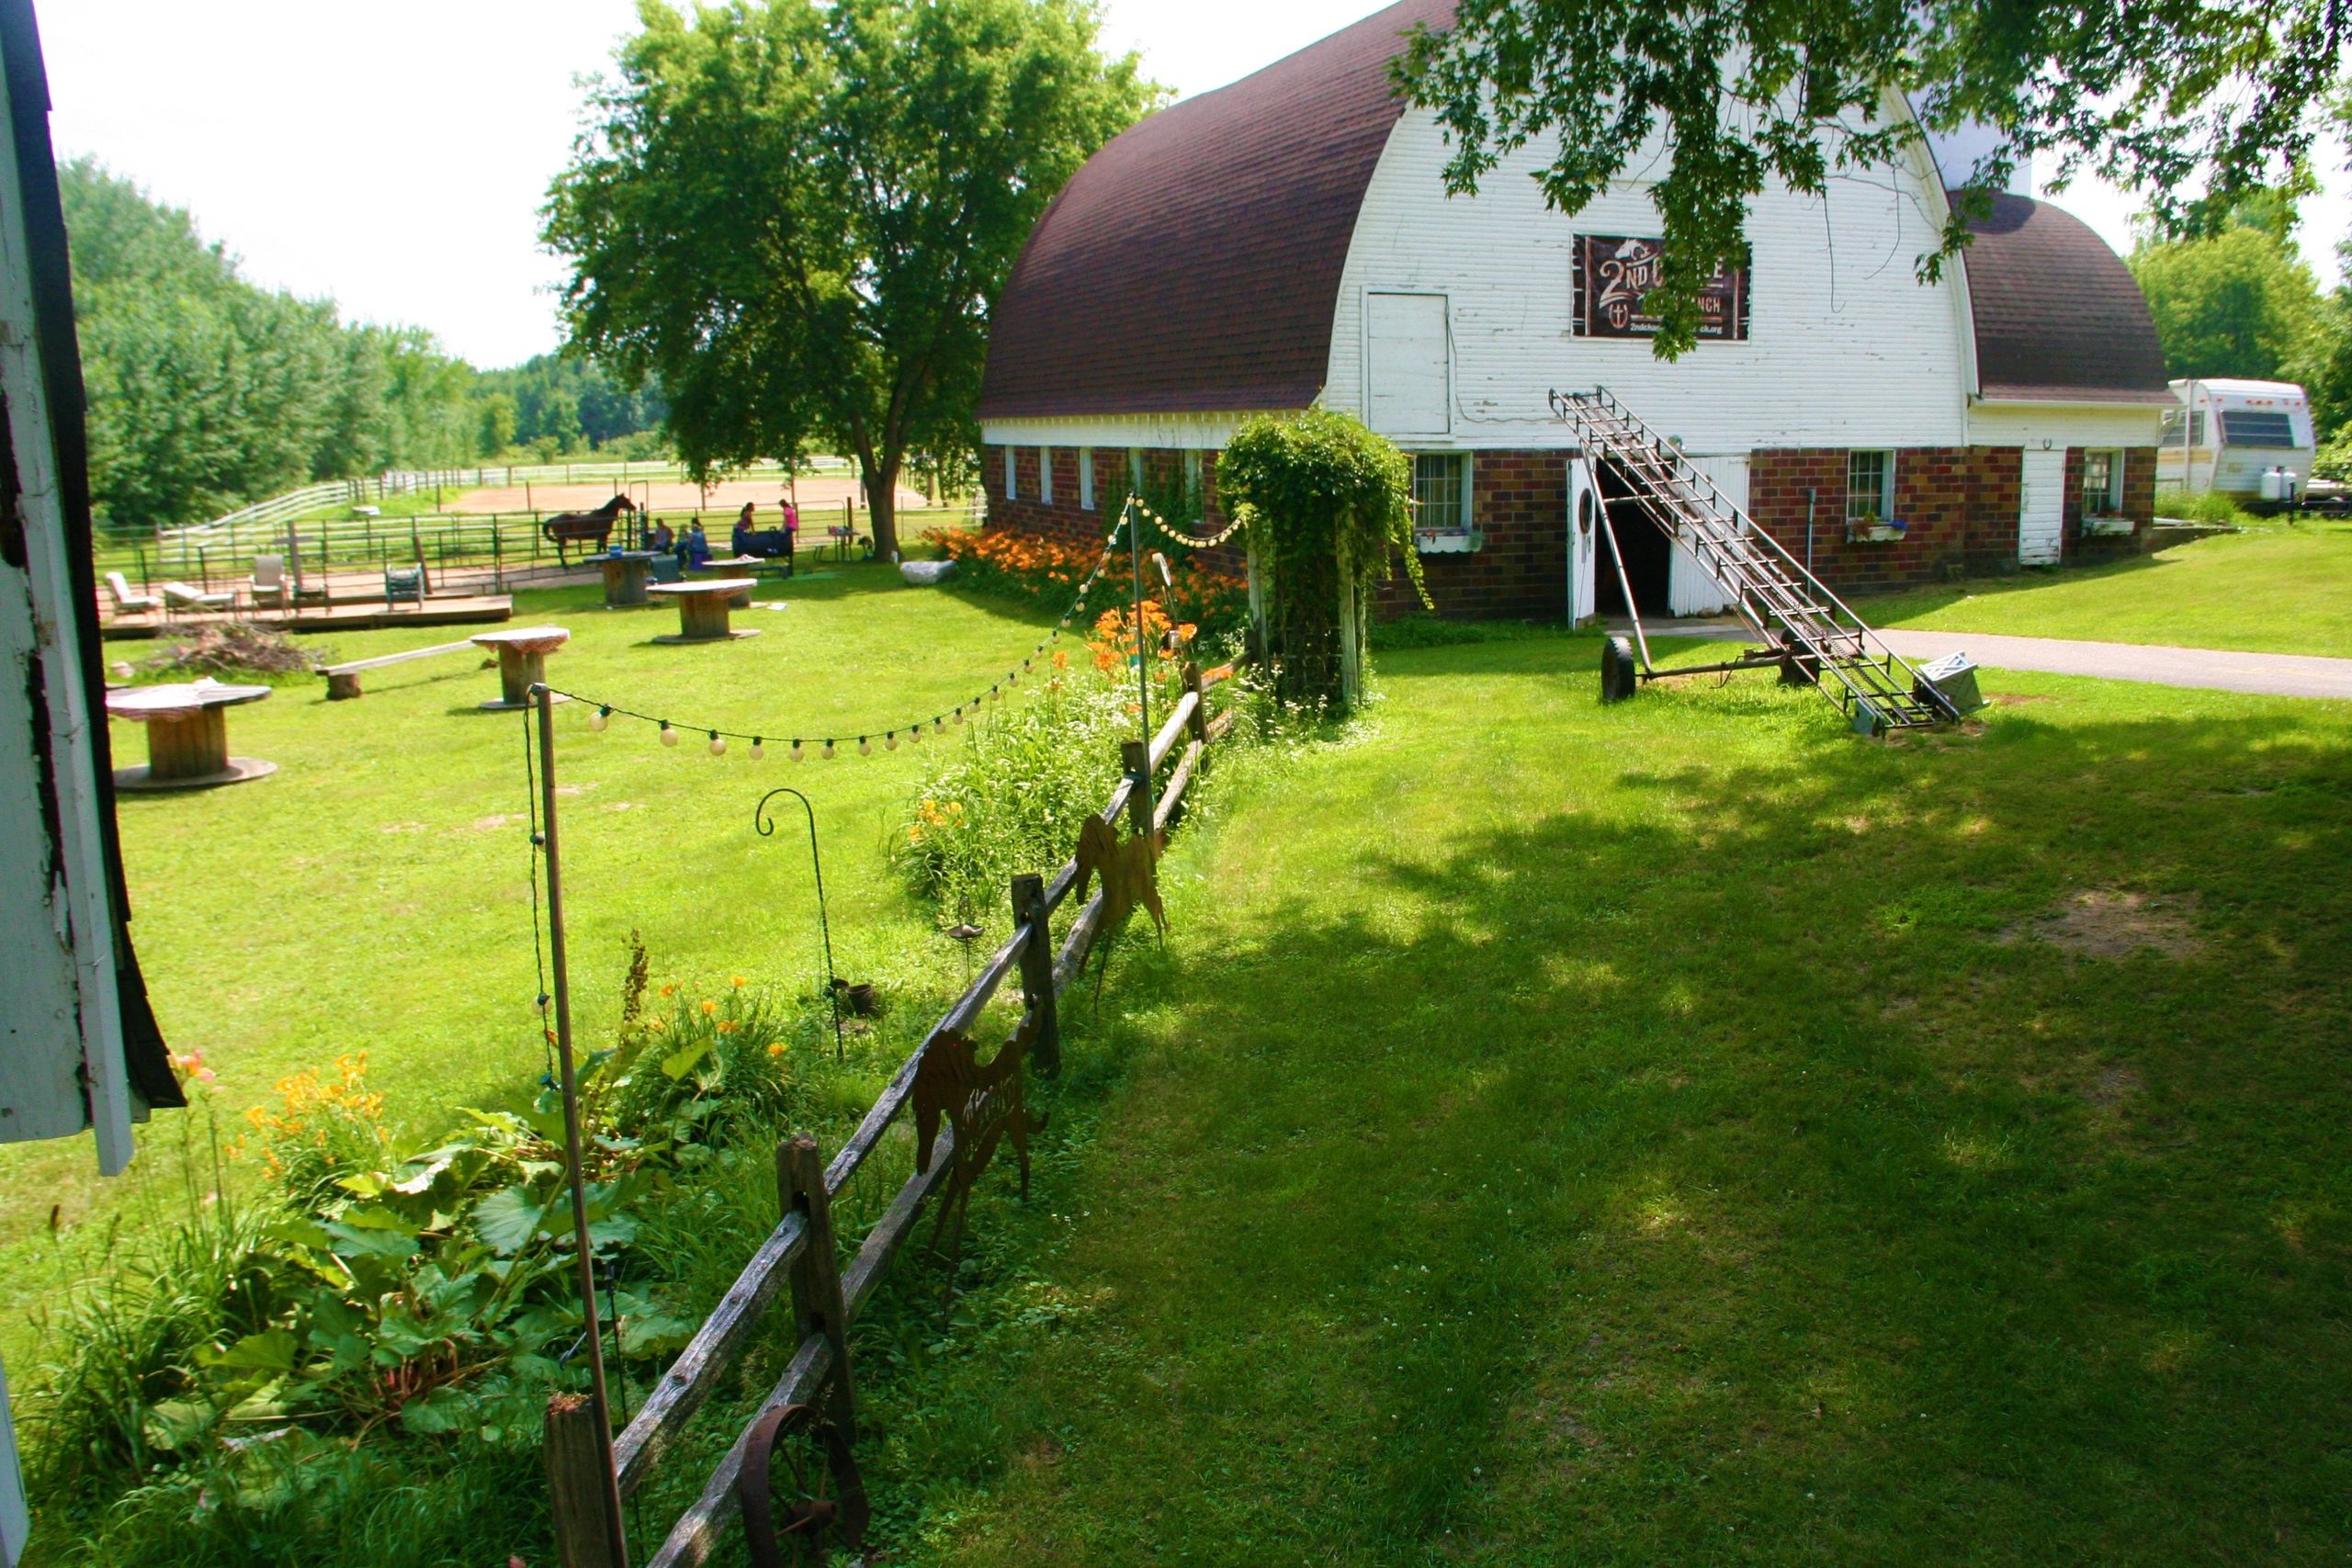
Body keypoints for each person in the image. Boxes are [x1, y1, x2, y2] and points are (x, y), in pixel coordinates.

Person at [780, 496, 799, 576]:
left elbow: (786, 520)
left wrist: (782, 528)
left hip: (791, 526)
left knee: (782, 536)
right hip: (793, 526)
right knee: (785, 535)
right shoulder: (789, 508)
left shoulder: (786, 510)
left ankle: (782, 548)